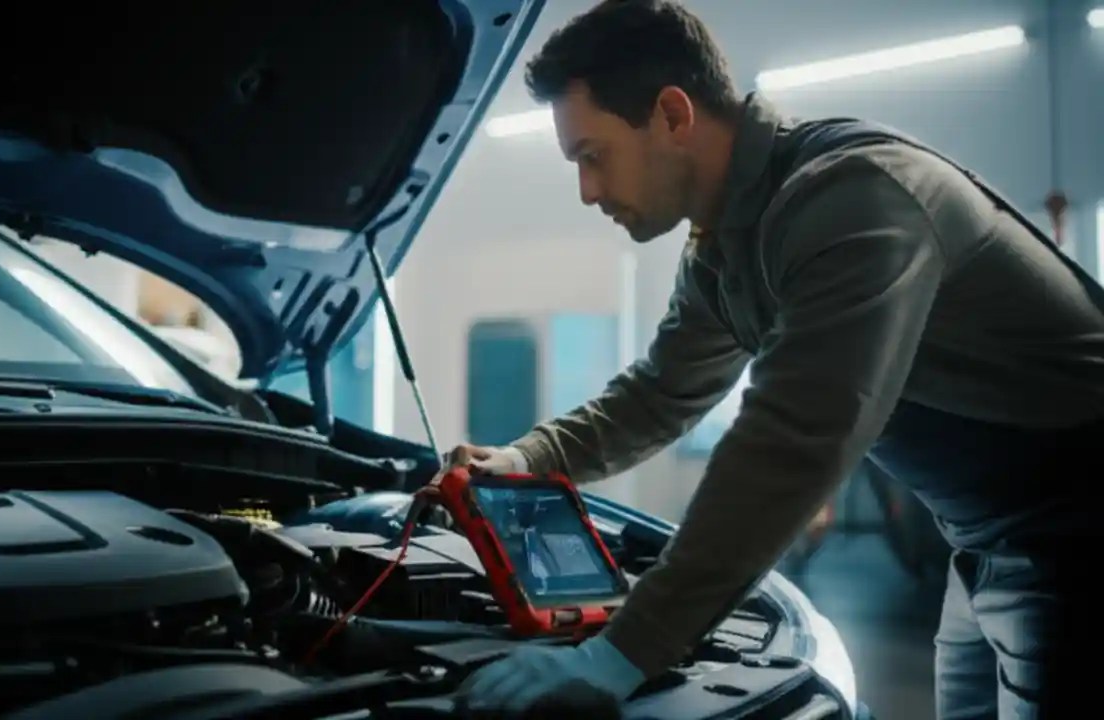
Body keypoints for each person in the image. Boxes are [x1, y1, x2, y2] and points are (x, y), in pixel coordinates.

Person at [448, 1, 1104, 718]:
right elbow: (660, 394)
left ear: (672, 114)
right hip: (981, 544)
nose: (588, 192)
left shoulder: (852, 199)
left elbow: (789, 444)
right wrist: (526, 461)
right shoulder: (723, 247)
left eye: (591, 156)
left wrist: (618, 657)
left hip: (1076, 526)